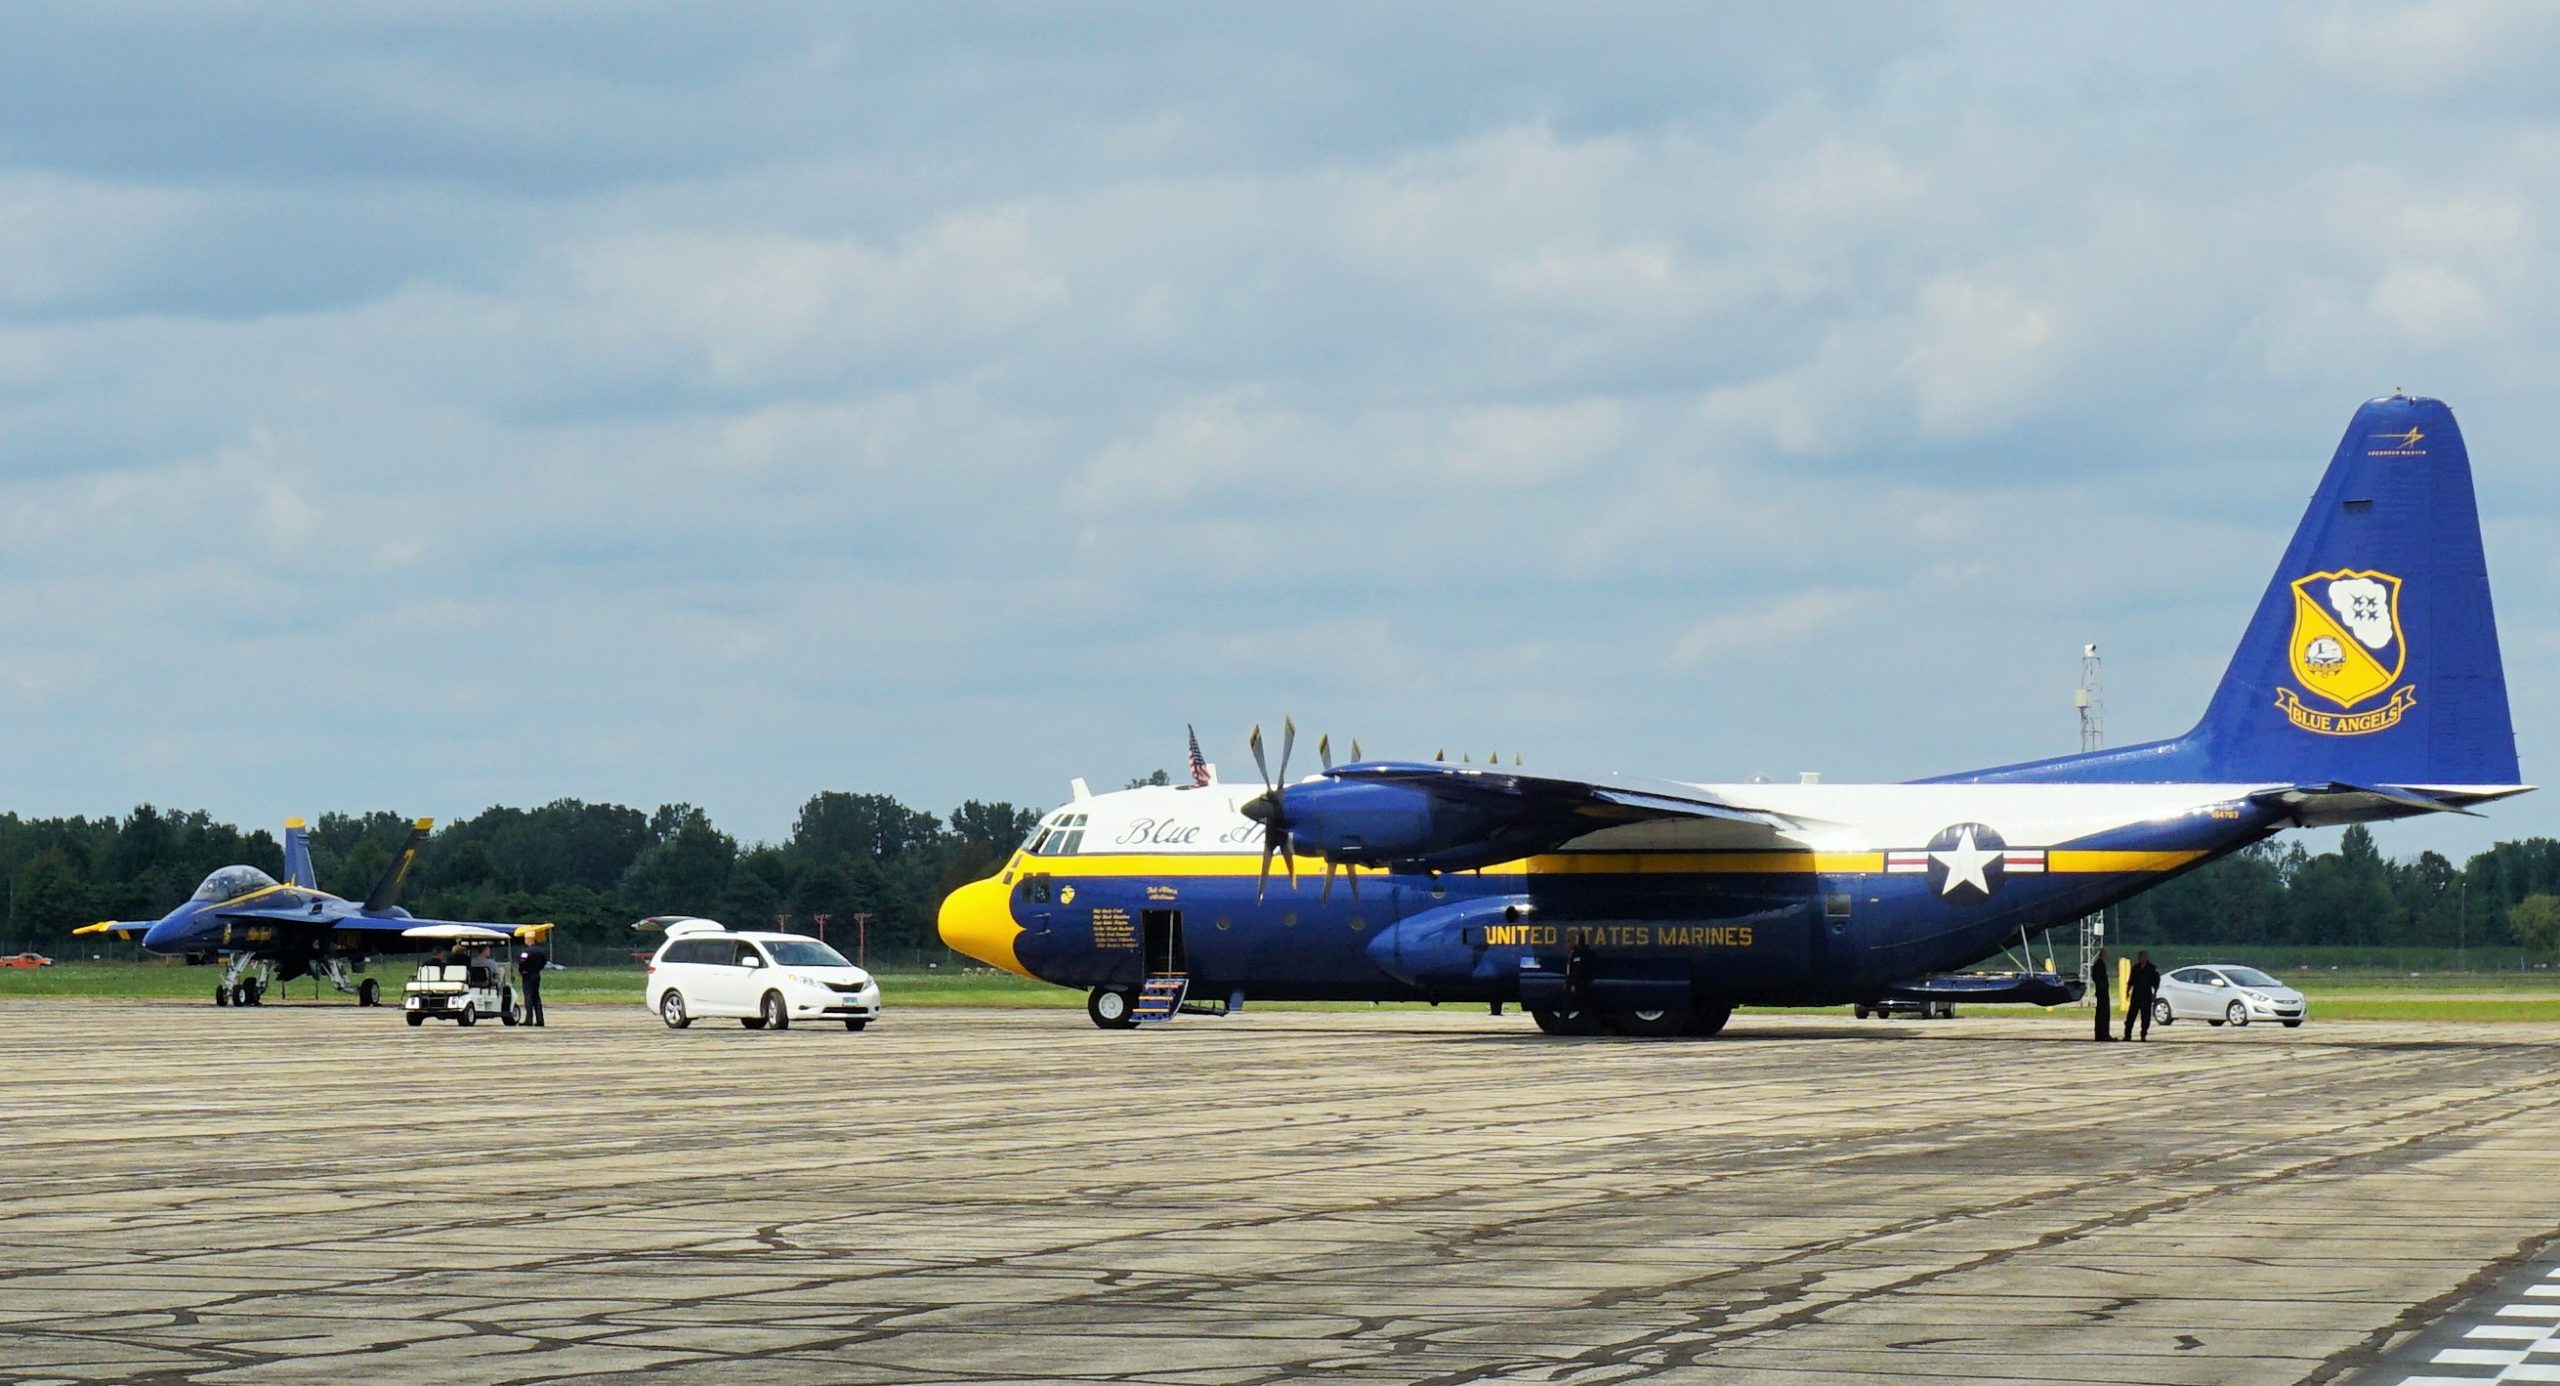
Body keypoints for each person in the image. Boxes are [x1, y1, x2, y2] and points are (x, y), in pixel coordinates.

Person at [2124, 950, 2161, 1042]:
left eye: (2142, 957)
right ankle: (2127, 1035)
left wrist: (2154, 994)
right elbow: (2131, 981)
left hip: (2146, 994)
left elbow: (2156, 982)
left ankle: (2143, 1034)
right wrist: (2127, 991)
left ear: (2146, 957)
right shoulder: (2135, 968)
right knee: (2131, 1016)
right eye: (2139, 957)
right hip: (2136, 994)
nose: (2141, 959)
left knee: (2145, 1017)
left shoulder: (2152, 968)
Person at [517, 939, 549, 1027]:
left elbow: (522, 961)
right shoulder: (540, 951)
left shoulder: (525, 952)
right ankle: (540, 1020)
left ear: (528, 940)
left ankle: (529, 1019)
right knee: (537, 998)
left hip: (528, 976)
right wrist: (538, 969)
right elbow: (545, 961)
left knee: (528, 996)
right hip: (536, 975)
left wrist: (522, 970)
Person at [2091, 946, 2112, 1041]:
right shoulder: (2099, 965)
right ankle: (2103, 1034)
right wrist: (2101, 985)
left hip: (2101, 991)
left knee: (2101, 1013)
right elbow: (2097, 977)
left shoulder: (2099, 964)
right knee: (2103, 1013)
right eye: (2106, 954)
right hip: (2102, 992)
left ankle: (2101, 1034)